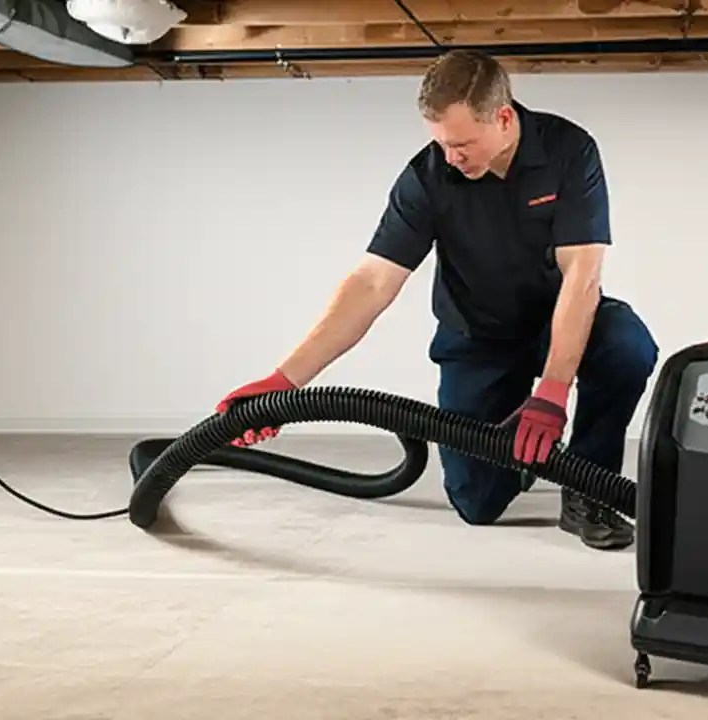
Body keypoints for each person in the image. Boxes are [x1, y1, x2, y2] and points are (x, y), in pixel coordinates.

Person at [215, 50, 658, 551]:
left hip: (560, 320)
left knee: (627, 345)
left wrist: (554, 390)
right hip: (478, 337)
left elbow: (582, 274)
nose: (452, 156)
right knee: (478, 504)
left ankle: (587, 489)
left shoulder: (567, 151)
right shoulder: (427, 177)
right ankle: (526, 460)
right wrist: (285, 381)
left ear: (504, 117)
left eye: (462, 144)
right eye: (442, 143)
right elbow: (372, 283)